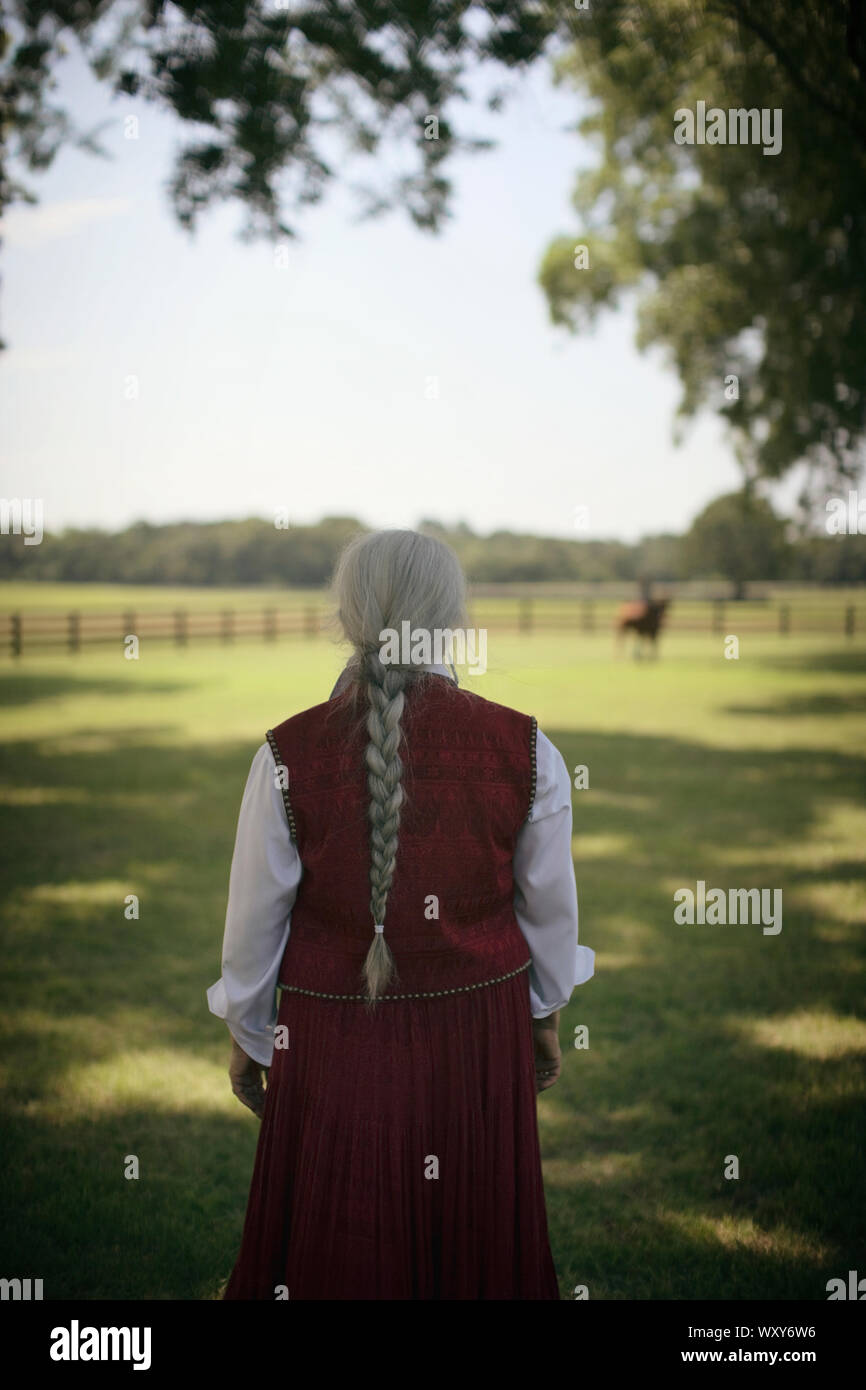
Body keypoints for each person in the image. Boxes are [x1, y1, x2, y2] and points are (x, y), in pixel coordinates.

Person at [207, 528, 594, 1299]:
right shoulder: (526, 748)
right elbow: (550, 913)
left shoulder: (286, 754)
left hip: (330, 1040)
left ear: (347, 615)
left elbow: (254, 929)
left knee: (339, 1254)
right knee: (471, 1254)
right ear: (450, 619)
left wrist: (250, 1039)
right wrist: (544, 1016)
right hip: (476, 1039)